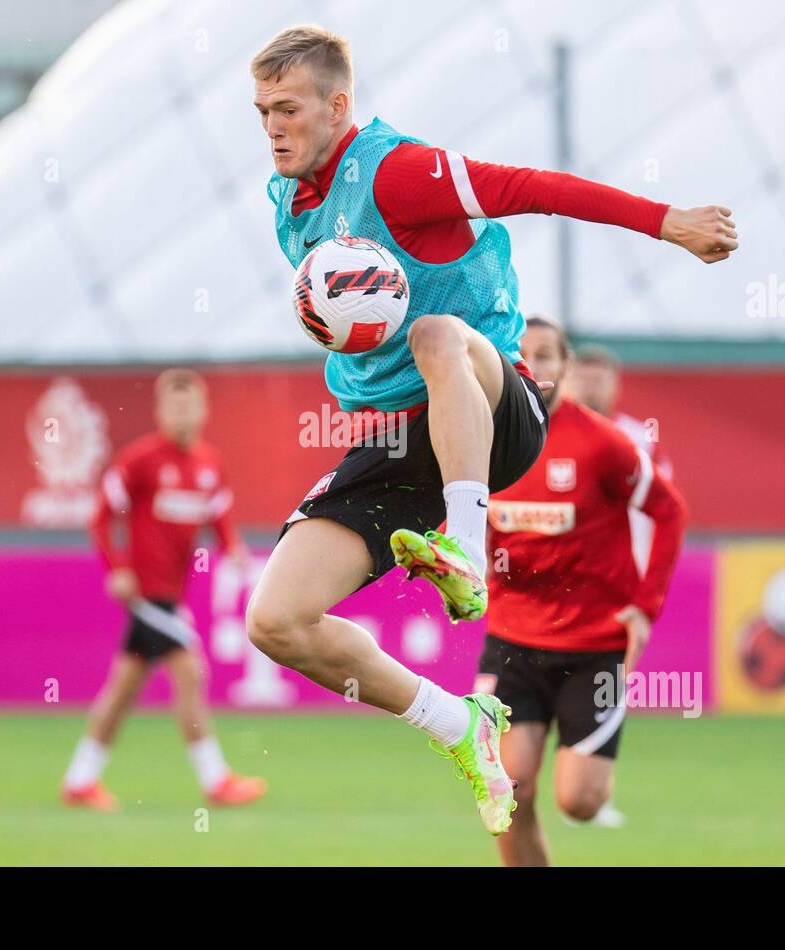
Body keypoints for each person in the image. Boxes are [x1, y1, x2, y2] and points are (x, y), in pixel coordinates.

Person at [245, 24, 733, 835]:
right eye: (261, 111)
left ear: (338, 105)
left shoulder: (398, 172)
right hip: (400, 444)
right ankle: (459, 726)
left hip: (498, 407)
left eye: (287, 109)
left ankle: (467, 546)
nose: (272, 127)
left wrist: (667, 221)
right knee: (276, 621)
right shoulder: (289, 203)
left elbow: (534, 186)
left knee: (437, 335)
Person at [481, 317, 688, 865]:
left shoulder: (603, 444)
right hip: (511, 642)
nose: (534, 364)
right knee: (505, 793)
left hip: (593, 647)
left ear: (565, 368)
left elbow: (669, 509)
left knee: (578, 801)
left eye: (547, 355)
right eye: (520, 353)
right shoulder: (479, 435)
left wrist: (644, 610)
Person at [61, 369, 266, 810]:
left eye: (189, 404)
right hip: (145, 596)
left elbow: (219, 516)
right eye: (174, 406)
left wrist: (232, 548)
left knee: (122, 691)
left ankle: (80, 780)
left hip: (171, 596)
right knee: (190, 673)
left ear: (204, 409)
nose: (182, 413)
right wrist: (116, 568)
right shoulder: (140, 461)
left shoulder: (210, 464)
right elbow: (101, 516)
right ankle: (216, 781)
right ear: (159, 412)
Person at [570, 343, 675, 574]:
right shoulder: (550, 436)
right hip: (567, 568)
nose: (589, 389)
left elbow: (667, 507)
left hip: (625, 570)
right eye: (583, 380)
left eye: (597, 381)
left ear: (615, 385)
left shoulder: (641, 441)